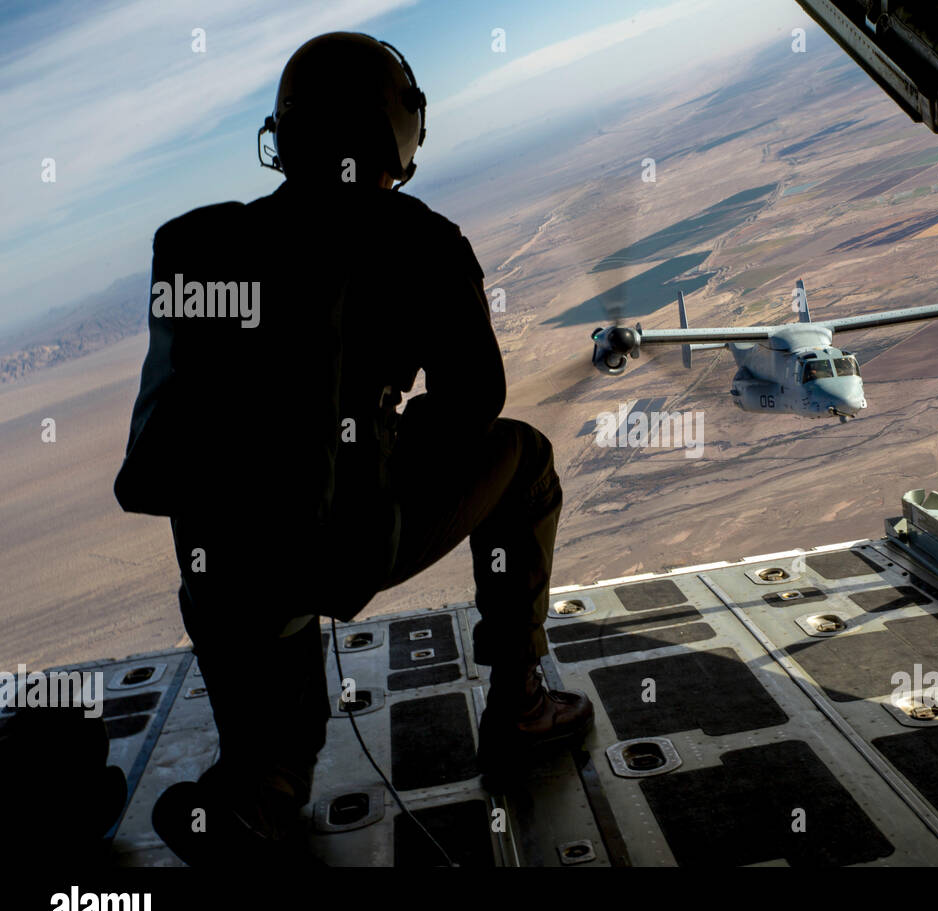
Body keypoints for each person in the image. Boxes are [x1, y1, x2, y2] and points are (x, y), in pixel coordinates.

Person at [113, 32, 591, 865]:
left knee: (245, 538)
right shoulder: (423, 239)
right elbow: (478, 402)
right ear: (397, 134)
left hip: (226, 570)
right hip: (349, 542)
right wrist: (386, 449)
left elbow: (180, 425)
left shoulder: (202, 243)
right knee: (527, 458)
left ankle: (263, 785)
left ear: (284, 132)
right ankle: (517, 702)